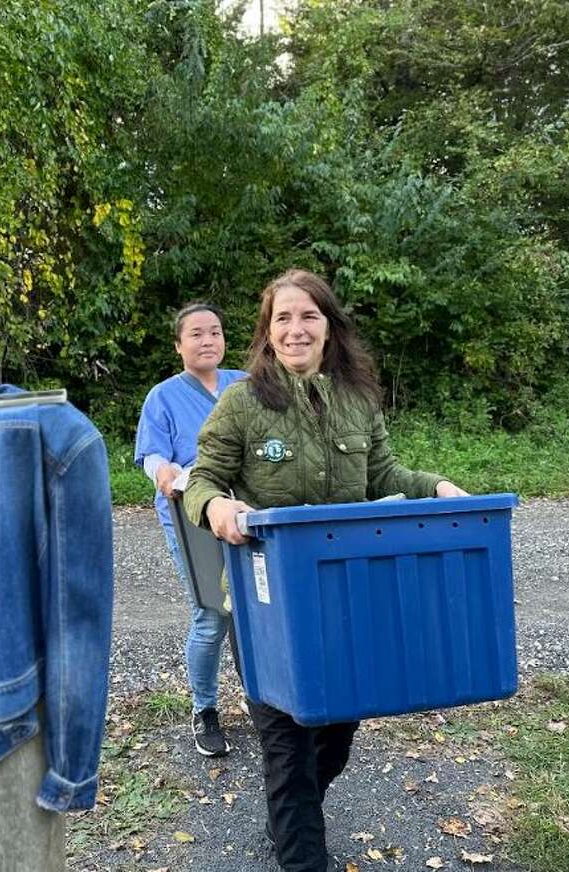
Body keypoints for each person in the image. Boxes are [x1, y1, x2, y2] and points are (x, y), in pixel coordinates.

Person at [182, 269, 467, 872]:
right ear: (266, 332)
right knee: (286, 742)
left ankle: (289, 815)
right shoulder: (243, 401)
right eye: (282, 318)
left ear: (329, 327)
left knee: (336, 736)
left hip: (346, 596)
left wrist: (437, 487)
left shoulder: (357, 398)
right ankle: (299, 848)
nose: (295, 328)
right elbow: (200, 478)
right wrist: (216, 504)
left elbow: (384, 477)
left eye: (308, 315)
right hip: (270, 606)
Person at [134, 302, 248, 757]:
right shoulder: (163, 396)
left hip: (246, 513)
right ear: (179, 344)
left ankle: (264, 700)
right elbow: (153, 456)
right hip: (191, 515)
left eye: (215, 332)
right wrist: (164, 473)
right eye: (197, 334)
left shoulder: (246, 385)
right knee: (213, 613)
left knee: (255, 610)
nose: (208, 341)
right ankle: (205, 710)